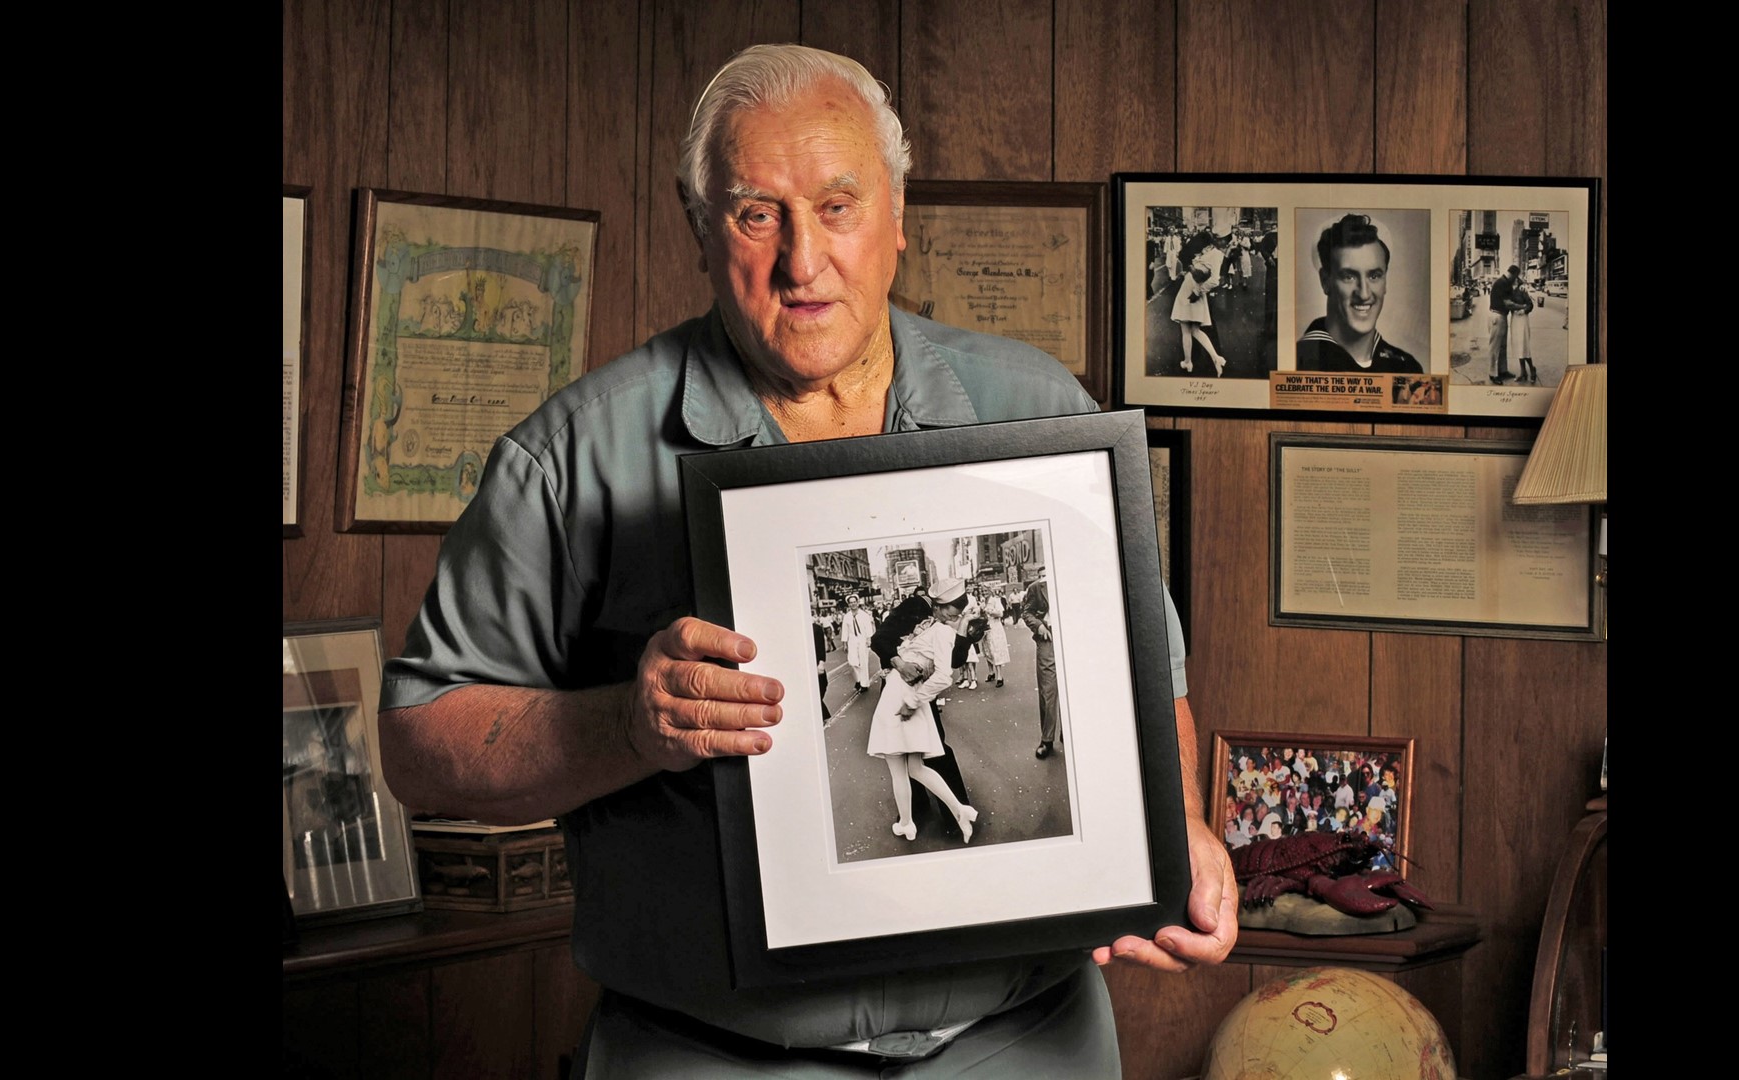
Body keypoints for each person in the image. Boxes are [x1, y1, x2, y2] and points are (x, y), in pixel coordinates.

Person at [375, 43, 1234, 1079]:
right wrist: (629, 725)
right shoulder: (571, 458)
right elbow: (418, 746)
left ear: (897, 215)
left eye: (837, 206)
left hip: (1025, 1043)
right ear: (700, 226)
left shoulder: (1039, 409)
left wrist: (1182, 824)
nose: (803, 260)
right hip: (710, 1055)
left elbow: (1149, 675)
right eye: (756, 214)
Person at [870, 578, 981, 842]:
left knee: (930, 750)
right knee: (910, 755)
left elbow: (954, 661)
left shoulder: (949, 624)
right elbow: (879, 639)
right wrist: (900, 664)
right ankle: (917, 811)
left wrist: (963, 634)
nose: (952, 617)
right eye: (951, 612)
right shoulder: (915, 606)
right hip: (900, 683)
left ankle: (951, 814)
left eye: (958, 614)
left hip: (920, 690)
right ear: (939, 604)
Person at [1295, 213, 1422, 374]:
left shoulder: (1407, 367)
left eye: (1374, 276)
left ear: (1385, 281)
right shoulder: (1297, 361)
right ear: (1325, 281)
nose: (1364, 294)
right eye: (1349, 277)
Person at [1171, 229, 1231, 375]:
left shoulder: (1216, 254)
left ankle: (1190, 362)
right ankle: (1204, 359)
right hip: (1191, 289)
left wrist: (1197, 292)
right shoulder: (1209, 252)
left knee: (1187, 330)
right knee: (1194, 331)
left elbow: (1214, 280)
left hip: (1191, 291)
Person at [1019, 564, 1062, 760]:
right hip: (1048, 639)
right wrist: (1039, 626)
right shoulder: (1036, 588)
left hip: (1072, 638)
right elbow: (1026, 612)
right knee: (1048, 689)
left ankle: (1069, 731)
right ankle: (1047, 740)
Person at [1488, 264, 1531, 385]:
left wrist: (1522, 287)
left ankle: (1502, 371)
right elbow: (1508, 304)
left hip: (1502, 316)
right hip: (1497, 316)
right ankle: (1493, 374)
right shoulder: (1502, 283)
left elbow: (1513, 294)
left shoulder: (1505, 282)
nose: (1516, 279)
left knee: (1502, 346)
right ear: (1513, 274)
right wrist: (1523, 306)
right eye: (1516, 276)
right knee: (1495, 347)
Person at [840, 593, 876, 694]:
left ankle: (864, 684)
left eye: (854, 602)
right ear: (848, 604)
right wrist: (844, 643)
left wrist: (869, 639)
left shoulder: (864, 615)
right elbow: (845, 630)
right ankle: (858, 679)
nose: (853, 604)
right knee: (852, 662)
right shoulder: (847, 617)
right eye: (851, 603)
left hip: (862, 640)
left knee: (863, 662)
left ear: (858, 602)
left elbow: (868, 628)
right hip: (852, 640)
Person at [1510, 276, 1537, 384]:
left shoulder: (1522, 290)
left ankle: (1532, 369)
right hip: (1514, 319)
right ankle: (1523, 372)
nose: (1513, 281)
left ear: (1517, 280)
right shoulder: (1510, 291)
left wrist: (1524, 310)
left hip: (1522, 319)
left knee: (1524, 346)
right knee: (1518, 346)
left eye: (1515, 279)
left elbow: (1530, 305)